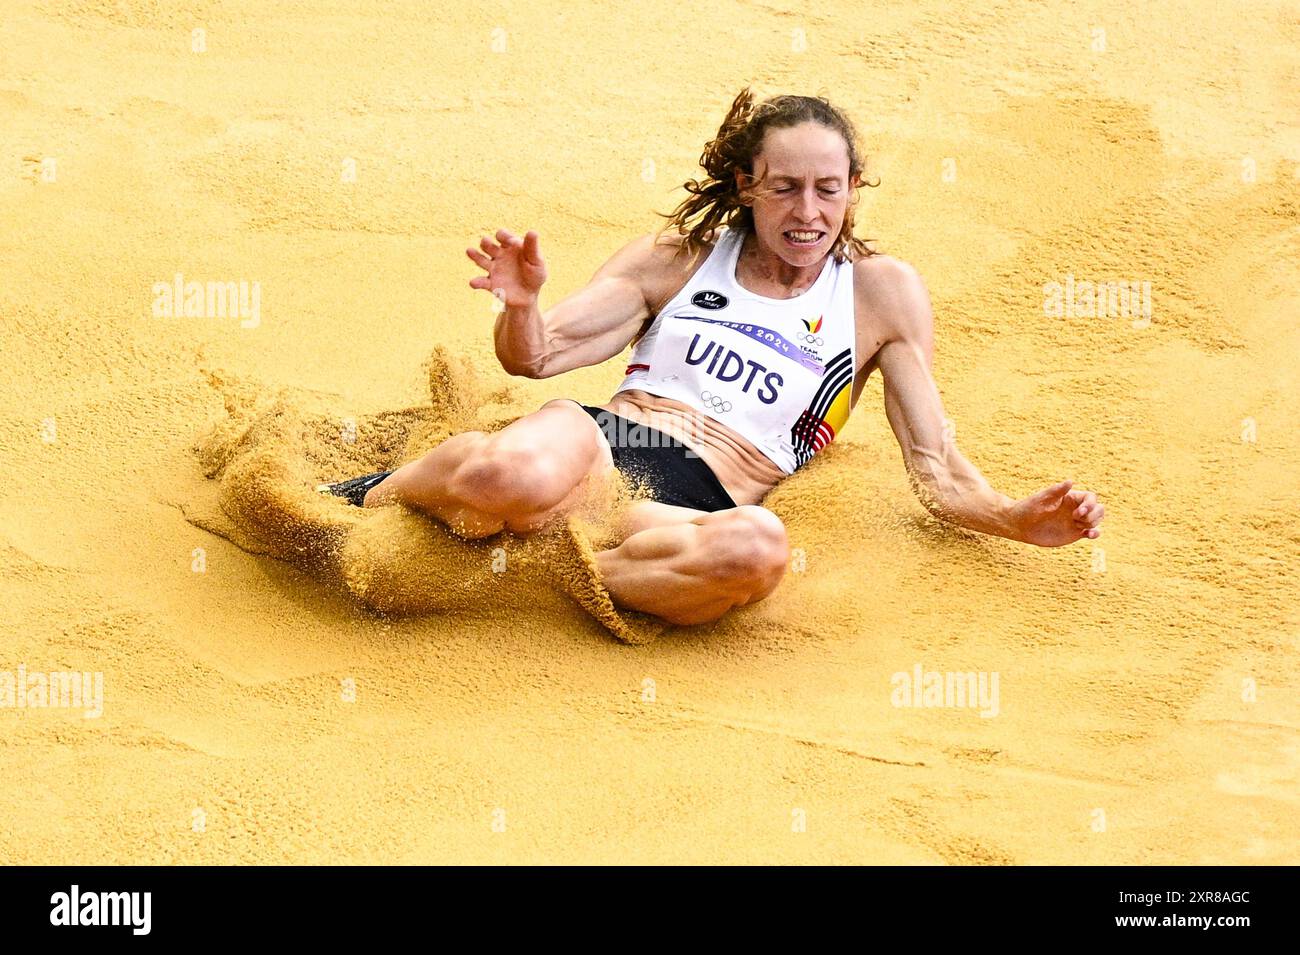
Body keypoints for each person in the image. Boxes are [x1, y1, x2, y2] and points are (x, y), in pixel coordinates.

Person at [319, 88, 1105, 626]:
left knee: (760, 548)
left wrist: (1009, 518)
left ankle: (543, 578)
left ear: (853, 188)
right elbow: (539, 357)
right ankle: (359, 497)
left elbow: (935, 468)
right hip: (605, 444)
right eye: (786, 187)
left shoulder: (880, 295)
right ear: (746, 184)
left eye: (828, 190)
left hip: (697, 502)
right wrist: (520, 306)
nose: (808, 212)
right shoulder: (684, 258)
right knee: (510, 475)